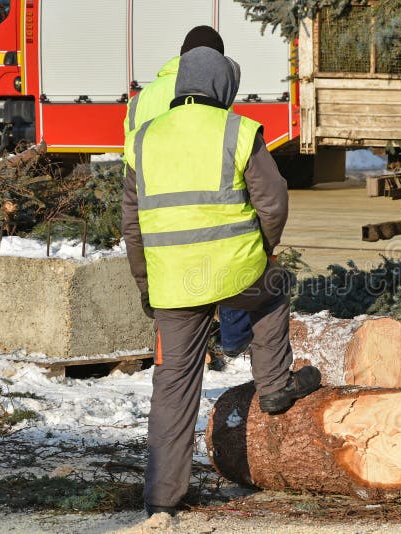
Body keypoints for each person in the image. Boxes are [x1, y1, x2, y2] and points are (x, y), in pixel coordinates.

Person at [122, 46, 321, 517]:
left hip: (173, 285)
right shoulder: (239, 130)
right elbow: (273, 202)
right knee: (273, 289)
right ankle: (274, 386)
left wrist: (146, 284)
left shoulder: (143, 139)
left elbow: (131, 225)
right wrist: (265, 248)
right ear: (223, 86)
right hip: (238, 274)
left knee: (173, 386)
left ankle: (161, 500)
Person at [124, 25, 253, 361]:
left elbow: (131, 159)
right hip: (199, 207)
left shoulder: (140, 100)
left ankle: (167, 359)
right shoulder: (208, 87)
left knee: (167, 292)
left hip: (153, 211)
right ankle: (229, 342)